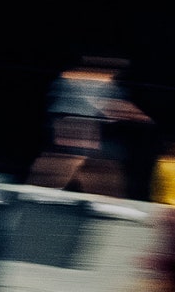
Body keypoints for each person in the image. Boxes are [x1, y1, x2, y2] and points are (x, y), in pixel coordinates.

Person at [28, 57, 151, 196]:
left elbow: (114, 107)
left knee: (97, 169)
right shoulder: (94, 81)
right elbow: (115, 107)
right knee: (70, 168)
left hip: (80, 136)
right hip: (75, 135)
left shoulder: (72, 78)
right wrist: (144, 118)